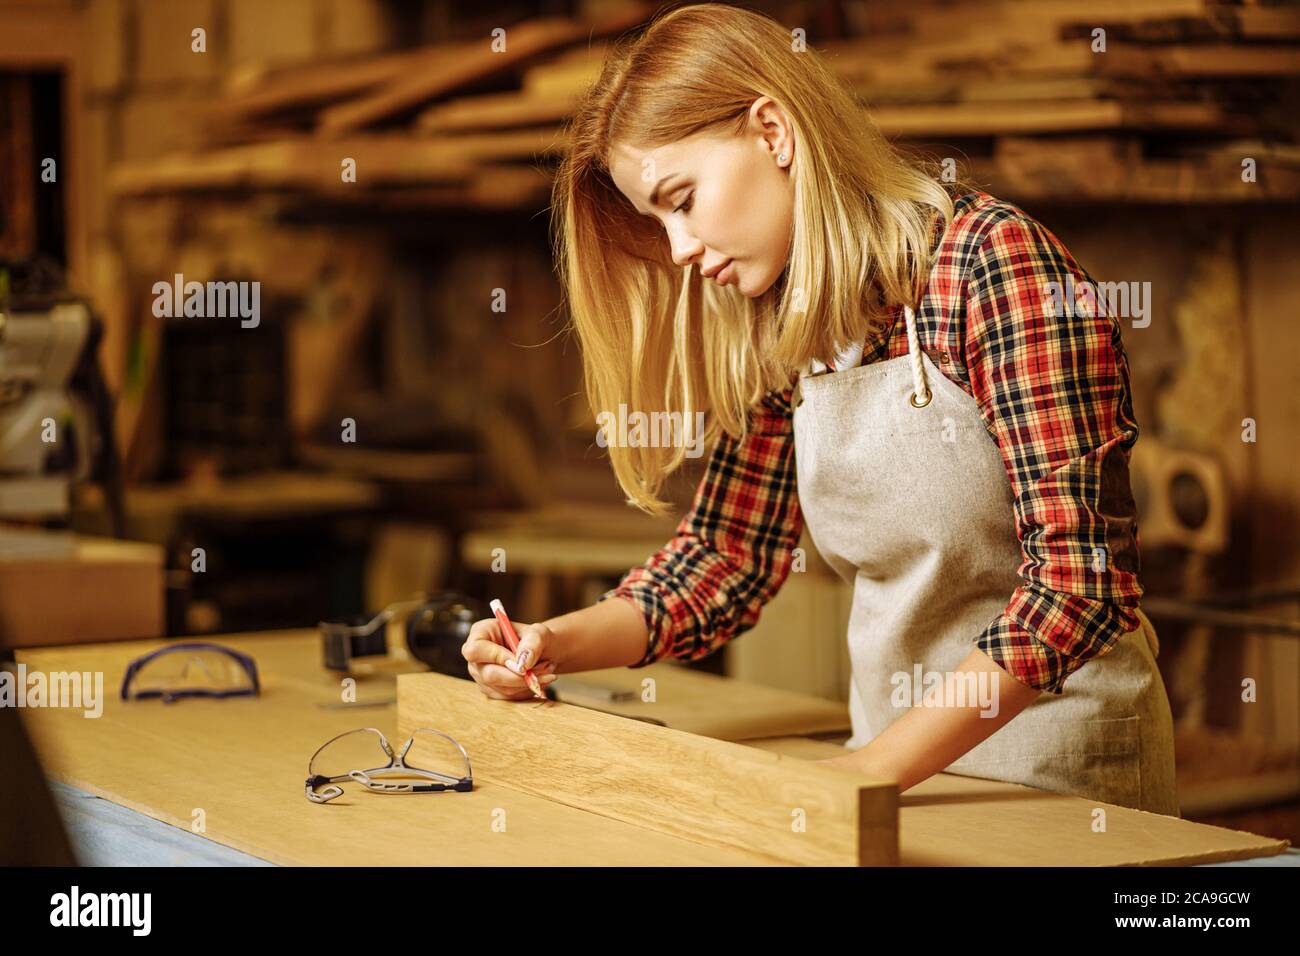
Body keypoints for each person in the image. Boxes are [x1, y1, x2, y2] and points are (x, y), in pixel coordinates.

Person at [462, 3, 1178, 816]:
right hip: (891, 770)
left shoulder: (994, 268)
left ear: (774, 131)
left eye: (683, 199)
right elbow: (728, 557)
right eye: (656, 221)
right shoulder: (782, 323)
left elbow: (1079, 588)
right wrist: (556, 644)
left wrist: (870, 769)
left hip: (1063, 772)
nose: (680, 251)